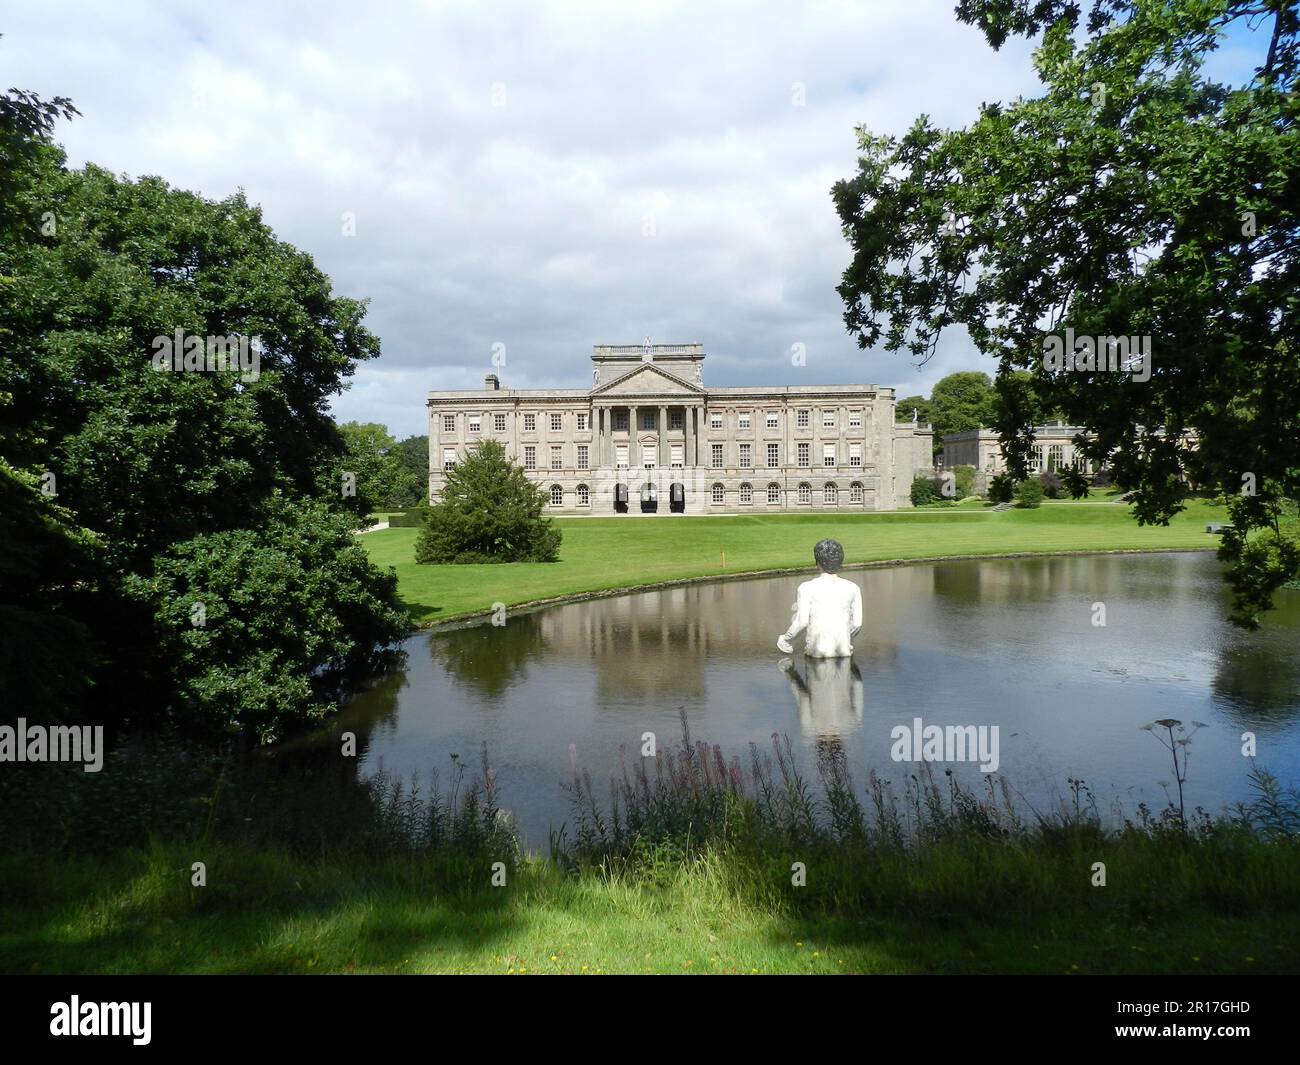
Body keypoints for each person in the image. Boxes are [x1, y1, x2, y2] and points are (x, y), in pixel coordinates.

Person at [775, 538, 862, 657]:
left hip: (816, 653)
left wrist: (785, 639)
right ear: (840, 562)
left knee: (795, 613)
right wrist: (845, 637)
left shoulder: (806, 587)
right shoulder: (853, 588)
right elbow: (857, 624)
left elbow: (802, 622)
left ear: (818, 562)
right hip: (844, 652)